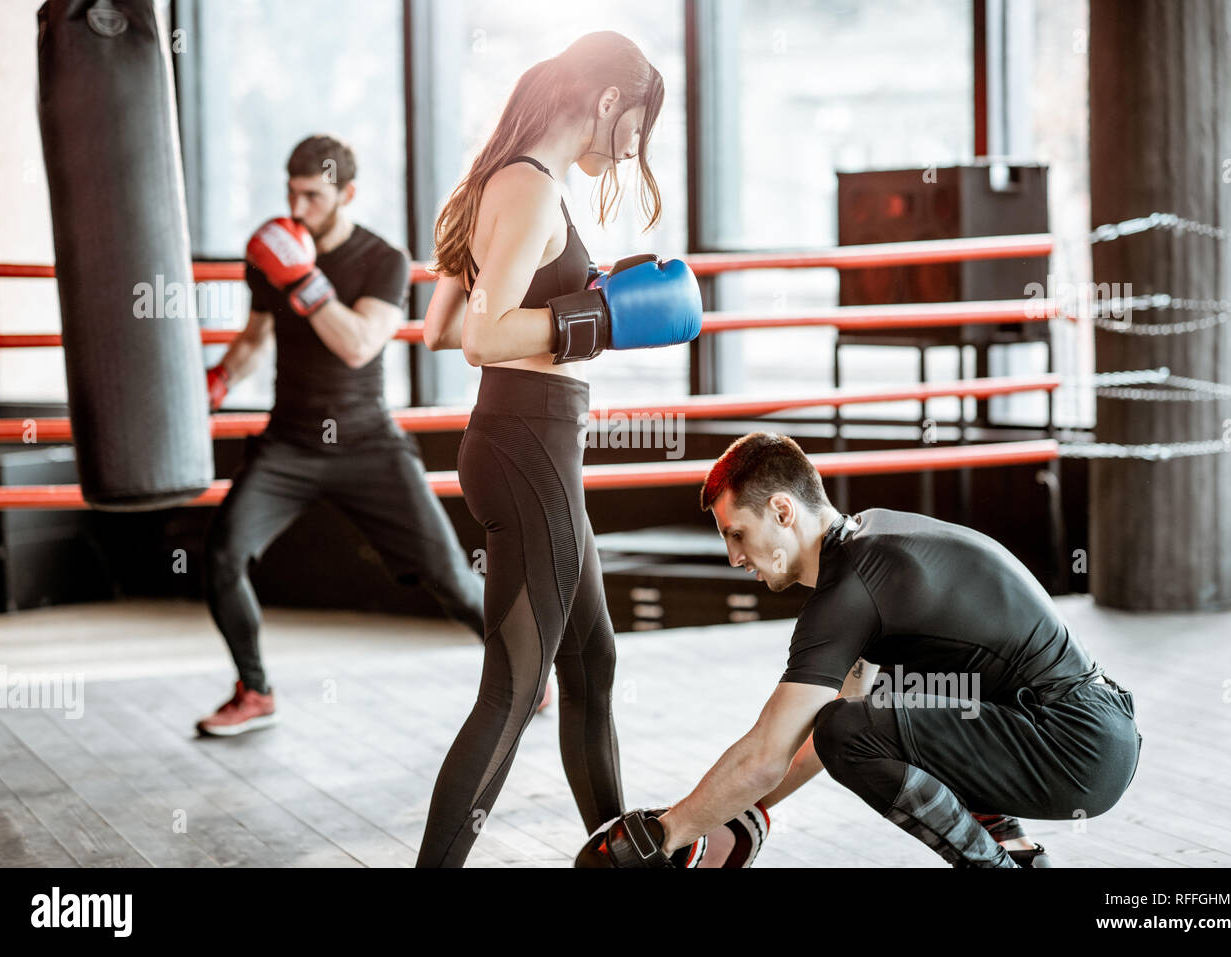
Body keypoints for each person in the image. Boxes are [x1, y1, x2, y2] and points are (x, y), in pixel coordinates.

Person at [580, 432, 1143, 868]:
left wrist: (662, 836)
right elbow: (834, 726)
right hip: (1086, 732)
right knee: (860, 718)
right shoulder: (871, 547)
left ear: (782, 511)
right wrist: (739, 816)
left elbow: (768, 753)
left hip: (1072, 744)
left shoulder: (852, 587)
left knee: (850, 727)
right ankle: (1017, 853)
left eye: (736, 534)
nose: (734, 557)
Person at [416, 31, 701, 866]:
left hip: (528, 446)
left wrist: (575, 300)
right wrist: (598, 318)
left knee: (592, 661)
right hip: (528, 446)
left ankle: (620, 854)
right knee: (512, 688)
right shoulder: (530, 188)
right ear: (608, 102)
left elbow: (436, 327)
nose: (634, 148)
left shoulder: (500, 181)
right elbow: (479, 337)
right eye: (638, 127)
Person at [196, 134, 488, 736]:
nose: (297, 209)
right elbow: (255, 339)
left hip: (366, 445)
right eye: (291, 193)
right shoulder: (271, 250)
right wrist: (218, 381)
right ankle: (255, 691)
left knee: (450, 576)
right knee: (223, 555)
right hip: (289, 446)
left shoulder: (380, 258)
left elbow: (358, 344)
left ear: (345, 194)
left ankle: (526, 675)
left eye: (312, 196)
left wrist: (301, 278)